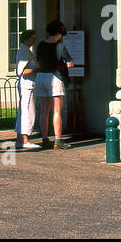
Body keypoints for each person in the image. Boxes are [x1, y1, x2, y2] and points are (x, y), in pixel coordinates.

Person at [34, 20, 76, 149]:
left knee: (43, 112)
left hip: (40, 77)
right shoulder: (61, 46)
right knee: (57, 110)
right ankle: (58, 140)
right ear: (60, 32)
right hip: (55, 77)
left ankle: (45, 139)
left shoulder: (40, 45)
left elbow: (39, 61)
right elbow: (70, 64)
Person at [14, 29, 41, 150]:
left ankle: (21, 139)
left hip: (29, 85)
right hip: (27, 85)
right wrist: (37, 69)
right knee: (27, 112)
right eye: (32, 38)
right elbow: (21, 71)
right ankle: (24, 139)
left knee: (26, 111)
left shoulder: (26, 51)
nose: (34, 40)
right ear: (27, 38)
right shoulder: (24, 52)